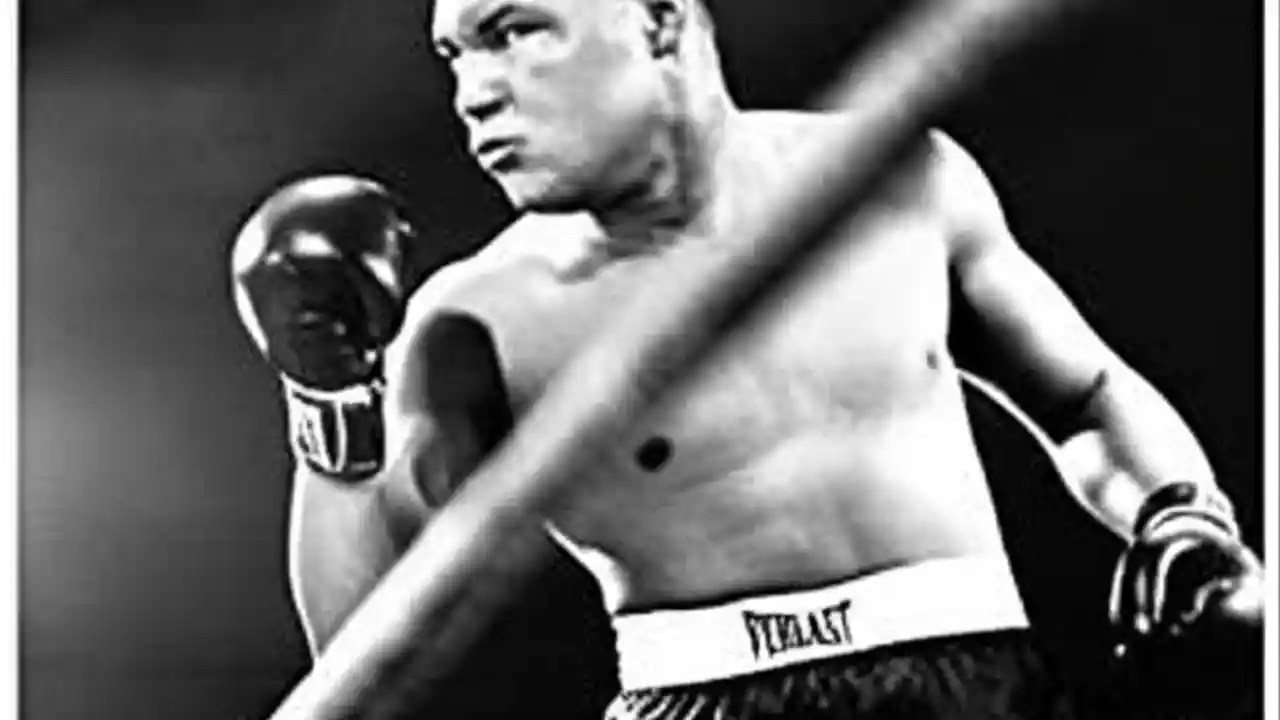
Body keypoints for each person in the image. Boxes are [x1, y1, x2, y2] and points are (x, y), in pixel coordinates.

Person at [231, 0, 1263, 717]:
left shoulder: (893, 177)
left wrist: (1178, 508)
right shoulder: (478, 318)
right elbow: (363, 661)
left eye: (510, 34)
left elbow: (1084, 397)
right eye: (455, 56)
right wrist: (327, 401)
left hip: (987, 687)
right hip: (700, 704)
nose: (473, 93)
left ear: (658, 21)